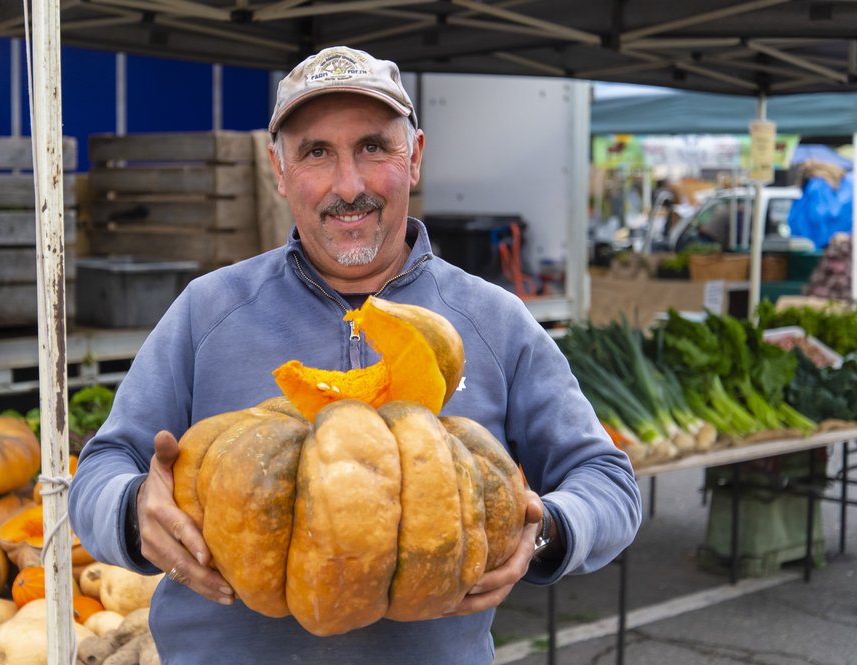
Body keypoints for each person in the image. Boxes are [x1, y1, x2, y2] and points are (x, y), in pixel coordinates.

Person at [69, 45, 641, 664]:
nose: (349, 185)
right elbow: (100, 469)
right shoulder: (207, 311)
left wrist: (547, 532)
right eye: (316, 152)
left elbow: (609, 483)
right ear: (279, 170)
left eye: (374, 147)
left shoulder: (494, 321)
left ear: (414, 157)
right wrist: (132, 512)